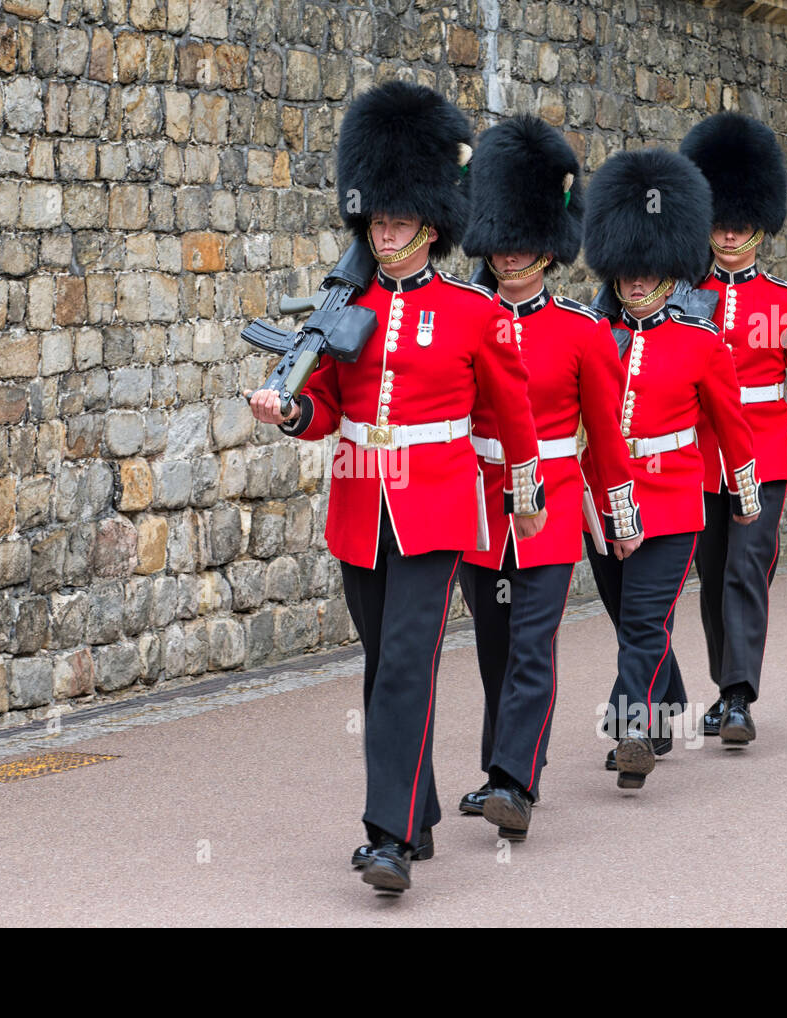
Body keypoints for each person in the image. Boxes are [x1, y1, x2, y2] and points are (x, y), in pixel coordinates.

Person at [246, 82, 547, 894]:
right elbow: (329, 412)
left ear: (431, 225)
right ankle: (415, 817)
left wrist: (526, 490)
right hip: (360, 502)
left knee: (409, 663)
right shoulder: (345, 307)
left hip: (440, 506)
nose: (385, 234)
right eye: (376, 220)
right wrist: (289, 409)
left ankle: (384, 838)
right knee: (383, 665)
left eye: (399, 221)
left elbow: (512, 413)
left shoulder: (472, 313)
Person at [451, 115, 640, 840]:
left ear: (551, 243)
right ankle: (499, 767)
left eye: (524, 240)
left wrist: (619, 520)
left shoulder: (583, 332)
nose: (509, 254)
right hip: (481, 504)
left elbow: (607, 437)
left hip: (554, 506)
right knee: (495, 649)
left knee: (533, 646)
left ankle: (514, 782)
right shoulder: (466, 317)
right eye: (499, 240)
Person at [580, 147, 762, 789]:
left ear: (671, 272)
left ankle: (632, 732)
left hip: (672, 501)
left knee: (642, 622)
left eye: (647, 270)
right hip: (603, 502)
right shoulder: (595, 333)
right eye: (625, 270)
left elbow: (732, 424)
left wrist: (744, 494)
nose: (634, 282)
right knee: (632, 619)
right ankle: (665, 708)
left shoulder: (701, 341)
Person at [680, 113, 787, 745]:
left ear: (759, 229)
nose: (726, 235)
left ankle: (740, 696)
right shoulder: (687, 293)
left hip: (765, 457)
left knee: (747, 569)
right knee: (712, 572)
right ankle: (727, 687)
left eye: (739, 226)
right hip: (700, 456)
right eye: (719, 224)